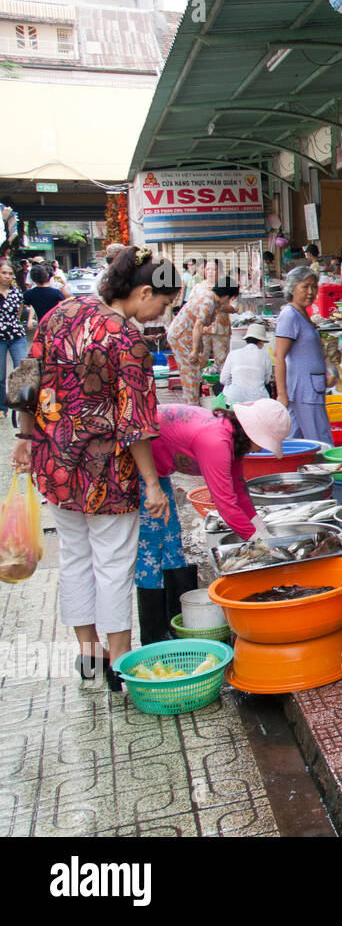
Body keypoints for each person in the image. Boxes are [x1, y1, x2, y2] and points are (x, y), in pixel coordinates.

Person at [12, 247, 180, 691]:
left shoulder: (60, 312)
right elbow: (137, 424)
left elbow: (25, 379)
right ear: (143, 291)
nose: (158, 314)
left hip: (56, 465)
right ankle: (122, 666)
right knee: (112, 565)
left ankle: (89, 658)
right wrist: (152, 485)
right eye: (161, 304)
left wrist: (25, 438)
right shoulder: (128, 340)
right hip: (107, 477)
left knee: (75, 559)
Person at [135, 399, 291, 645]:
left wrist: (260, 527)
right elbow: (225, 503)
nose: (260, 449)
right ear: (252, 433)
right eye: (261, 443)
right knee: (152, 549)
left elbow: (239, 490)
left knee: (172, 544)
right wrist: (257, 541)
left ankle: (177, 622)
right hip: (136, 467)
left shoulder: (232, 438)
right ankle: (154, 636)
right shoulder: (216, 441)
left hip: (157, 472)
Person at [275, 266, 335, 445]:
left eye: (314, 286)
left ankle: (293, 471)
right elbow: (279, 357)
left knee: (297, 440)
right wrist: (281, 394)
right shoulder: (289, 315)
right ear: (293, 289)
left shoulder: (302, 314)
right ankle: (325, 471)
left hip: (310, 388)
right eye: (305, 287)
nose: (311, 292)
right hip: (304, 391)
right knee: (321, 441)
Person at [167, 275, 240, 405]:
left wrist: (197, 346)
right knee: (191, 374)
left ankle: (192, 405)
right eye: (230, 299)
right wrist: (194, 351)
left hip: (182, 336)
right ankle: (191, 408)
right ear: (226, 296)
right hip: (181, 337)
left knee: (193, 373)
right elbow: (198, 325)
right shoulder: (208, 301)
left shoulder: (211, 299)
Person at [220, 323, 274, 403]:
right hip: (258, 398)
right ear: (260, 342)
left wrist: (236, 381)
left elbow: (223, 379)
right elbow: (267, 380)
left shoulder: (233, 353)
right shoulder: (265, 355)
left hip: (234, 398)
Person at [0, 259, 28, 395]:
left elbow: (19, 314)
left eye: (10, 274)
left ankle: (22, 404)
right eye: (4, 273)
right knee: (0, 375)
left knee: (22, 372)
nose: (7, 276)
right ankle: (2, 406)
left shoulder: (17, 293)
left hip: (16, 335)